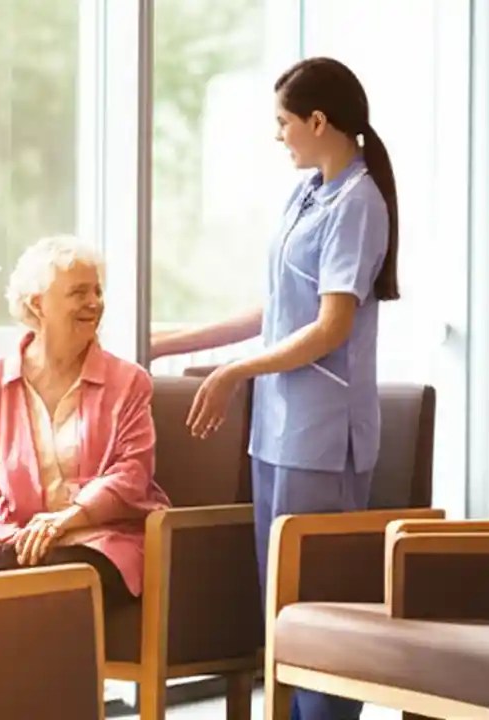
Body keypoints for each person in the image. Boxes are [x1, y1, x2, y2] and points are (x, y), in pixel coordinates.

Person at [151, 57, 399, 720]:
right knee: (280, 606)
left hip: (324, 438)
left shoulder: (359, 203)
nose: (278, 135)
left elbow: (329, 326)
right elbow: (277, 309)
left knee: (318, 609)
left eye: (284, 122)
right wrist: (168, 343)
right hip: (280, 432)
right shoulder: (307, 194)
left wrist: (237, 372)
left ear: (319, 121)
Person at [0, 235, 171, 610]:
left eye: (97, 292)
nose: (94, 303)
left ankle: (48, 671)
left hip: (100, 542)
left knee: (55, 586)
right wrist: (18, 536)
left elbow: (132, 473)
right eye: (79, 292)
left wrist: (67, 520)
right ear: (37, 303)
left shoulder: (129, 383)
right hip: (10, 543)